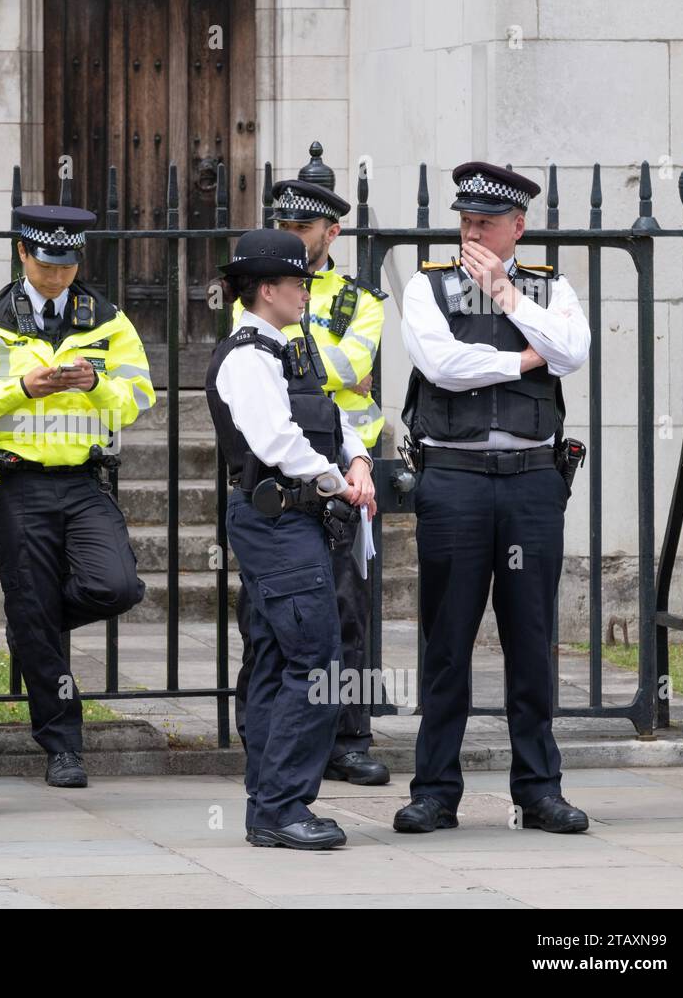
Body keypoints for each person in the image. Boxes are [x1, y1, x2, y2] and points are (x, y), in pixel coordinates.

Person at [394, 161, 591, 835]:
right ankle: (434, 790)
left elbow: (573, 351)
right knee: (447, 638)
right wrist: (523, 360)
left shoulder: (548, 288)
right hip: (454, 479)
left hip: (534, 480)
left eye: (486, 222)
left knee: (531, 639)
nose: (472, 231)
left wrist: (509, 299)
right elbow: (441, 365)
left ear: (518, 227)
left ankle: (539, 789)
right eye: (466, 220)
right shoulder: (427, 287)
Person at [206, 229, 376, 850]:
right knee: (316, 663)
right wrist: (339, 483)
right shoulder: (248, 356)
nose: (307, 291)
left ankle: (271, 806)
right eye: (298, 283)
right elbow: (277, 442)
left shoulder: (291, 350)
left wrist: (356, 461)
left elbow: (332, 417)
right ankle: (282, 806)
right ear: (268, 290)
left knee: (284, 660)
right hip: (276, 522)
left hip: (299, 522)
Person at [0, 204, 152, 788]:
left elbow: (139, 396)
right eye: (47, 264)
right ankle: (62, 745)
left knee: (117, 584)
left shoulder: (105, 317)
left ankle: (33, 628)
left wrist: (98, 385)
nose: (58, 275)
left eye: (68, 264)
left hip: (82, 480)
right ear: (23, 254)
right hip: (15, 481)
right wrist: (20, 387)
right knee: (33, 605)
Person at [231, 178, 390, 786]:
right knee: (269, 621)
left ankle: (347, 737)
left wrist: (321, 365)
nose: (293, 237)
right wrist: (334, 367)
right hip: (286, 481)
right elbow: (326, 371)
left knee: (346, 613)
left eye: (304, 229)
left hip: (352, 473)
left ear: (332, 233)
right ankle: (263, 739)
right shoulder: (260, 285)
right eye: (286, 227)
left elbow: (356, 367)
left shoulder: (360, 298)